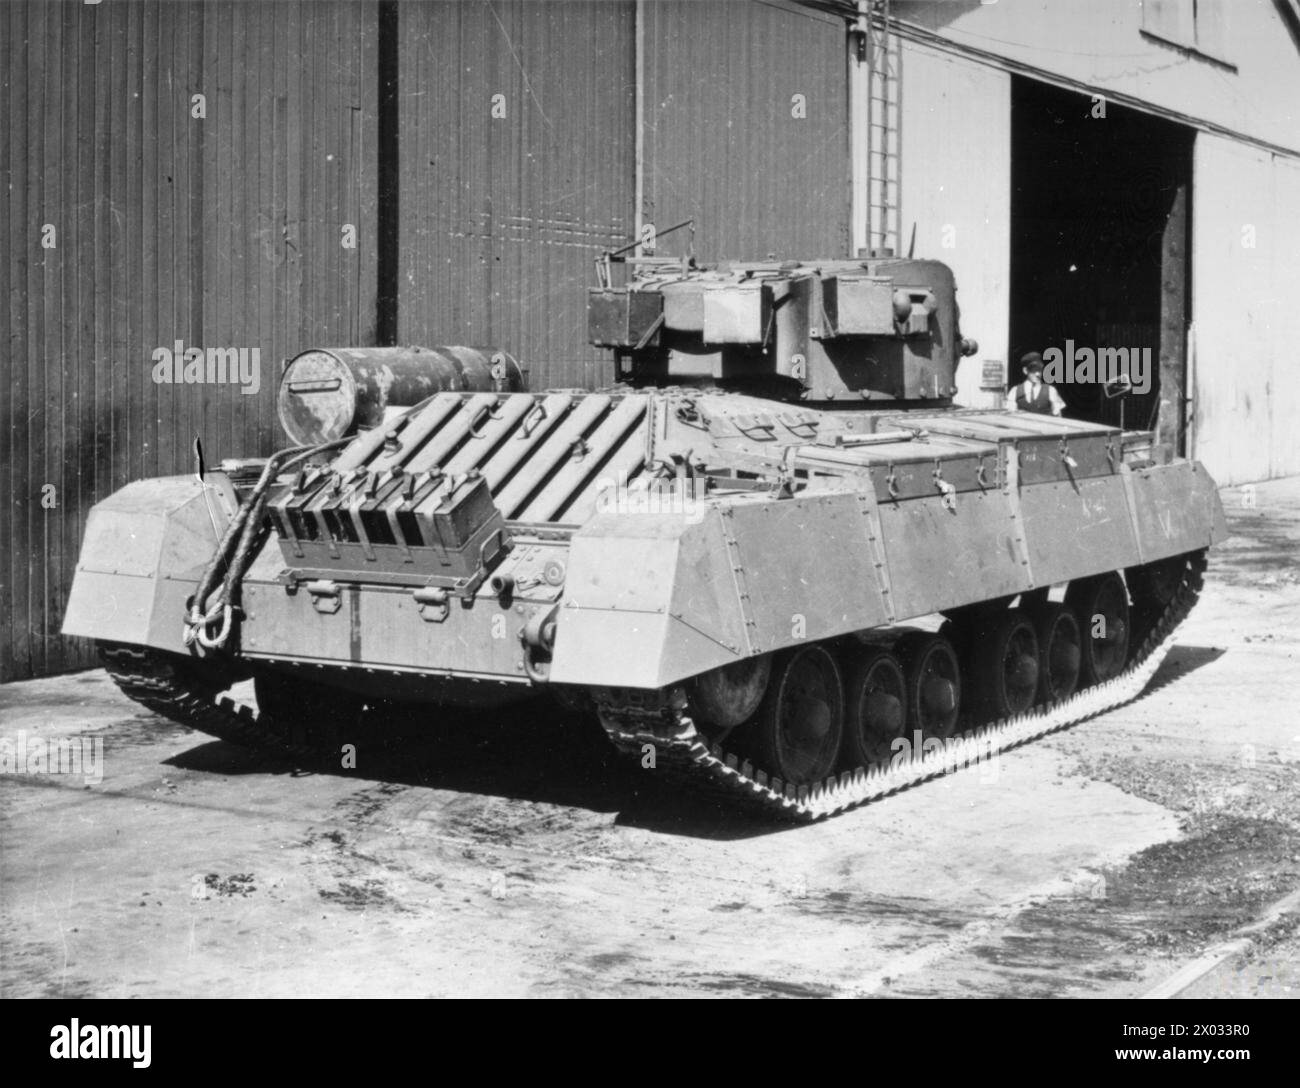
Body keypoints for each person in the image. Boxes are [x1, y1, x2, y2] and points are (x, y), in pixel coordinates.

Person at [1005, 352, 1065, 416]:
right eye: (1033, 370)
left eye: (1039, 370)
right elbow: (1010, 416)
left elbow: (1058, 415)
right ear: (1025, 370)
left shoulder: (1051, 390)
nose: (1037, 374)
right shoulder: (1015, 391)